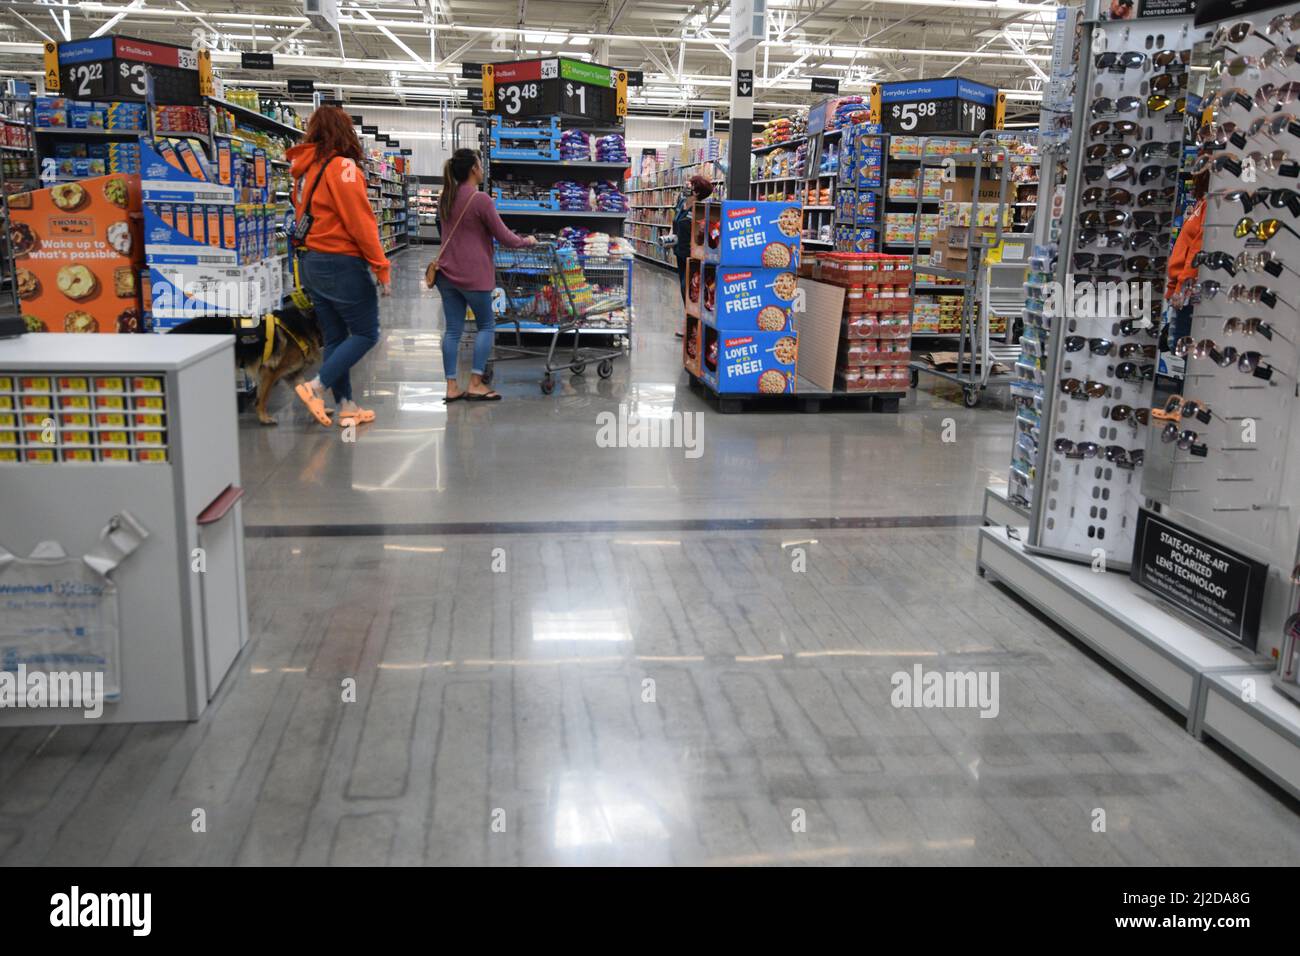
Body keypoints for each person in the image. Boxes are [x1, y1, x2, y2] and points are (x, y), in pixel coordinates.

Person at [287, 105, 390, 429]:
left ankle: (347, 404)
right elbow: (360, 222)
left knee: (334, 337)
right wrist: (381, 267)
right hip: (341, 262)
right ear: (345, 132)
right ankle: (315, 386)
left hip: (312, 263)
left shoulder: (306, 171)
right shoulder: (343, 168)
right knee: (366, 333)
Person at [429, 148, 535, 402]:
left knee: (452, 331)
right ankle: (475, 383)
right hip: (474, 275)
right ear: (473, 169)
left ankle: (451, 386)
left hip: (446, 274)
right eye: (480, 163)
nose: (483, 168)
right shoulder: (480, 200)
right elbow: (504, 237)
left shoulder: (446, 197)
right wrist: (527, 241)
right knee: (486, 326)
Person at [1164, 170, 1208, 344]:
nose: (1193, 173)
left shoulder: (1208, 206)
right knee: (1176, 344)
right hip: (1181, 292)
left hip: (1187, 293)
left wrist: (1181, 288)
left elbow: (1196, 250)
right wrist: (1173, 288)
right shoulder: (1201, 203)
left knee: (1181, 347)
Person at [666, 174, 715, 304]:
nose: (686, 186)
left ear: (697, 191)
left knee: (686, 286)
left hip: (691, 254)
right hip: (678, 251)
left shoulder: (699, 210)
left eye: (690, 185)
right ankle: (688, 315)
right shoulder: (681, 202)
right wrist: (669, 238)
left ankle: (692, 315)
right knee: (684, 286)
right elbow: (675, 223)